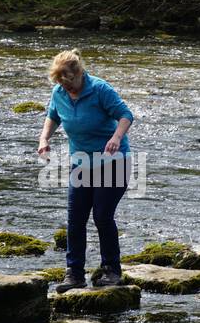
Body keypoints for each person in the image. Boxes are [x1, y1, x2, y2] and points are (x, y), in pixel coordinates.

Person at [37, 50, 134, 292]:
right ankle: (74, 274)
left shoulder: (100, 89)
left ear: (79, 72)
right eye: (60, 81)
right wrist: (44, 138)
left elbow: (125, 115)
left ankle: (112, 270)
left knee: (102, 215)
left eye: (68, 79)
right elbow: (52, 116)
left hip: (114, 161)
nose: (65, 85)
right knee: (75, 219)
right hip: (81, 162)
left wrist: (115, 137)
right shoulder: (59, 92)